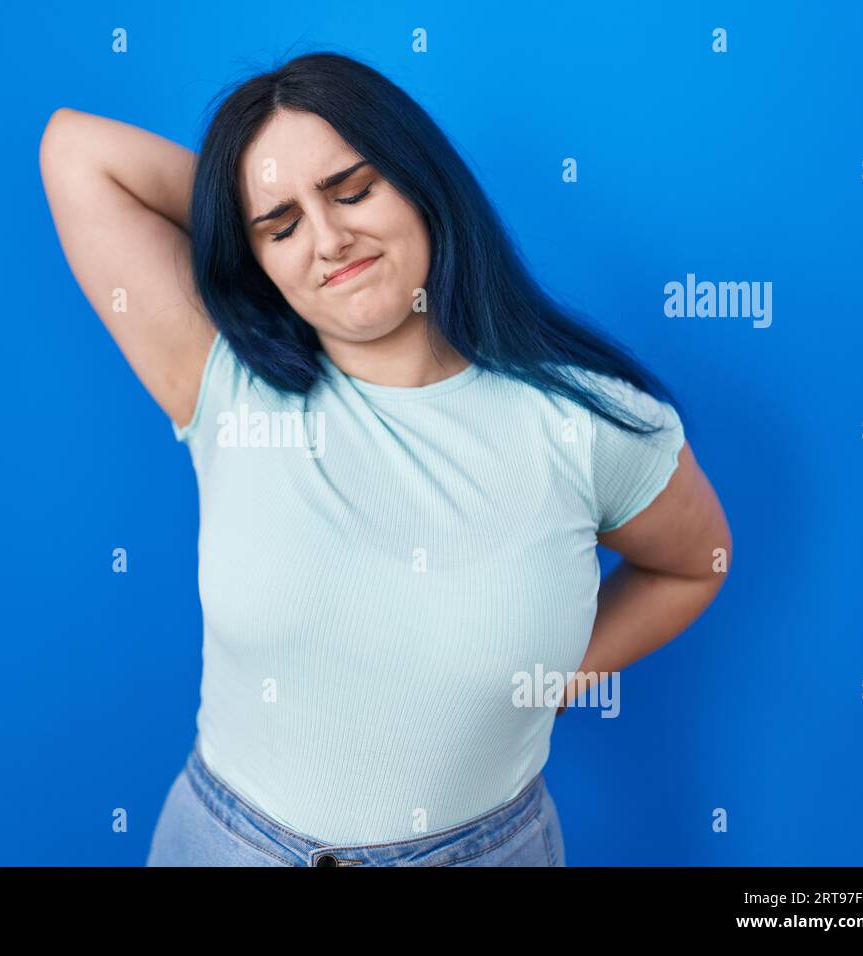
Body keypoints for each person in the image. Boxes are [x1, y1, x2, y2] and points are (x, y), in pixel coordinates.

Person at [38, 51, 732, 866]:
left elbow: (695, 564)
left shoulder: (588, 424)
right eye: (283, 225)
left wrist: (542, 685)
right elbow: (73, 150)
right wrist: (242, 217)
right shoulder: (225, 383)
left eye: (353, 189)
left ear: (422, 182)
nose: (328, 241)